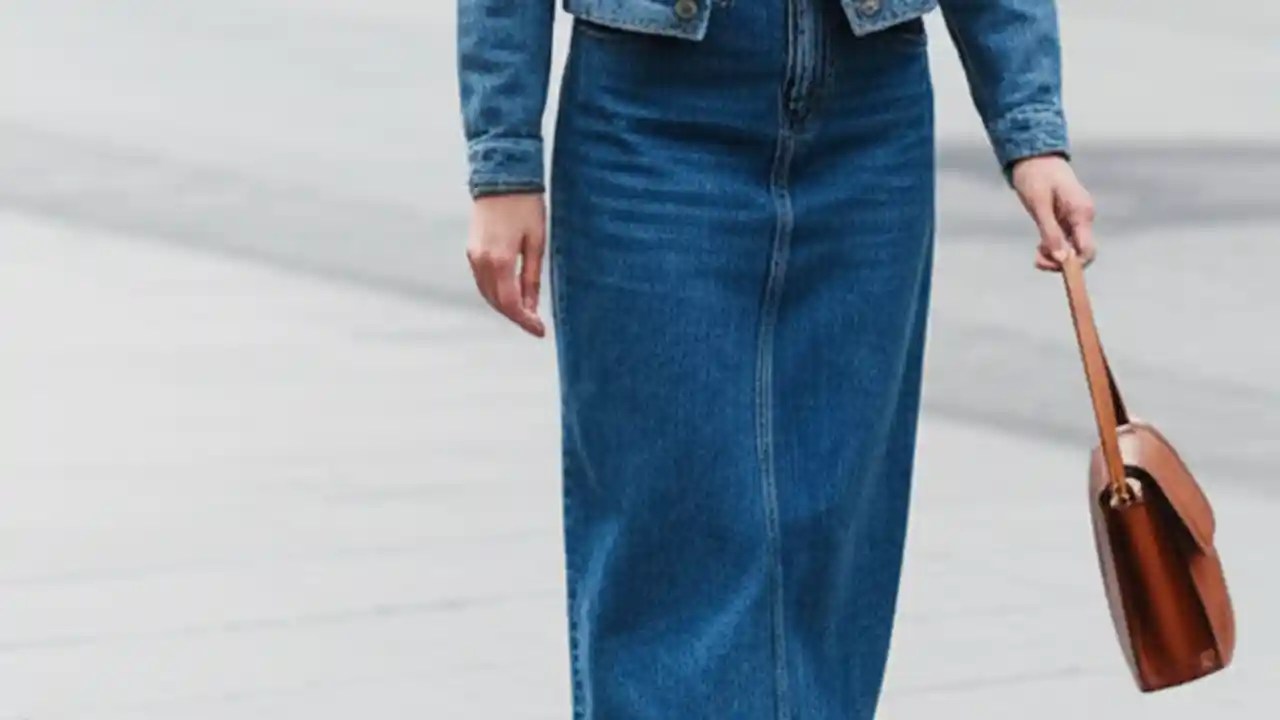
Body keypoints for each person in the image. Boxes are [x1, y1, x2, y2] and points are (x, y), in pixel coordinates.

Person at [456, 0, 1095, 717]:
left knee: (830, 548)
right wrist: (504, 156)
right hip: (649, 118)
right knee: (673, 535)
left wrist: (1032, 128)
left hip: (870, 114)